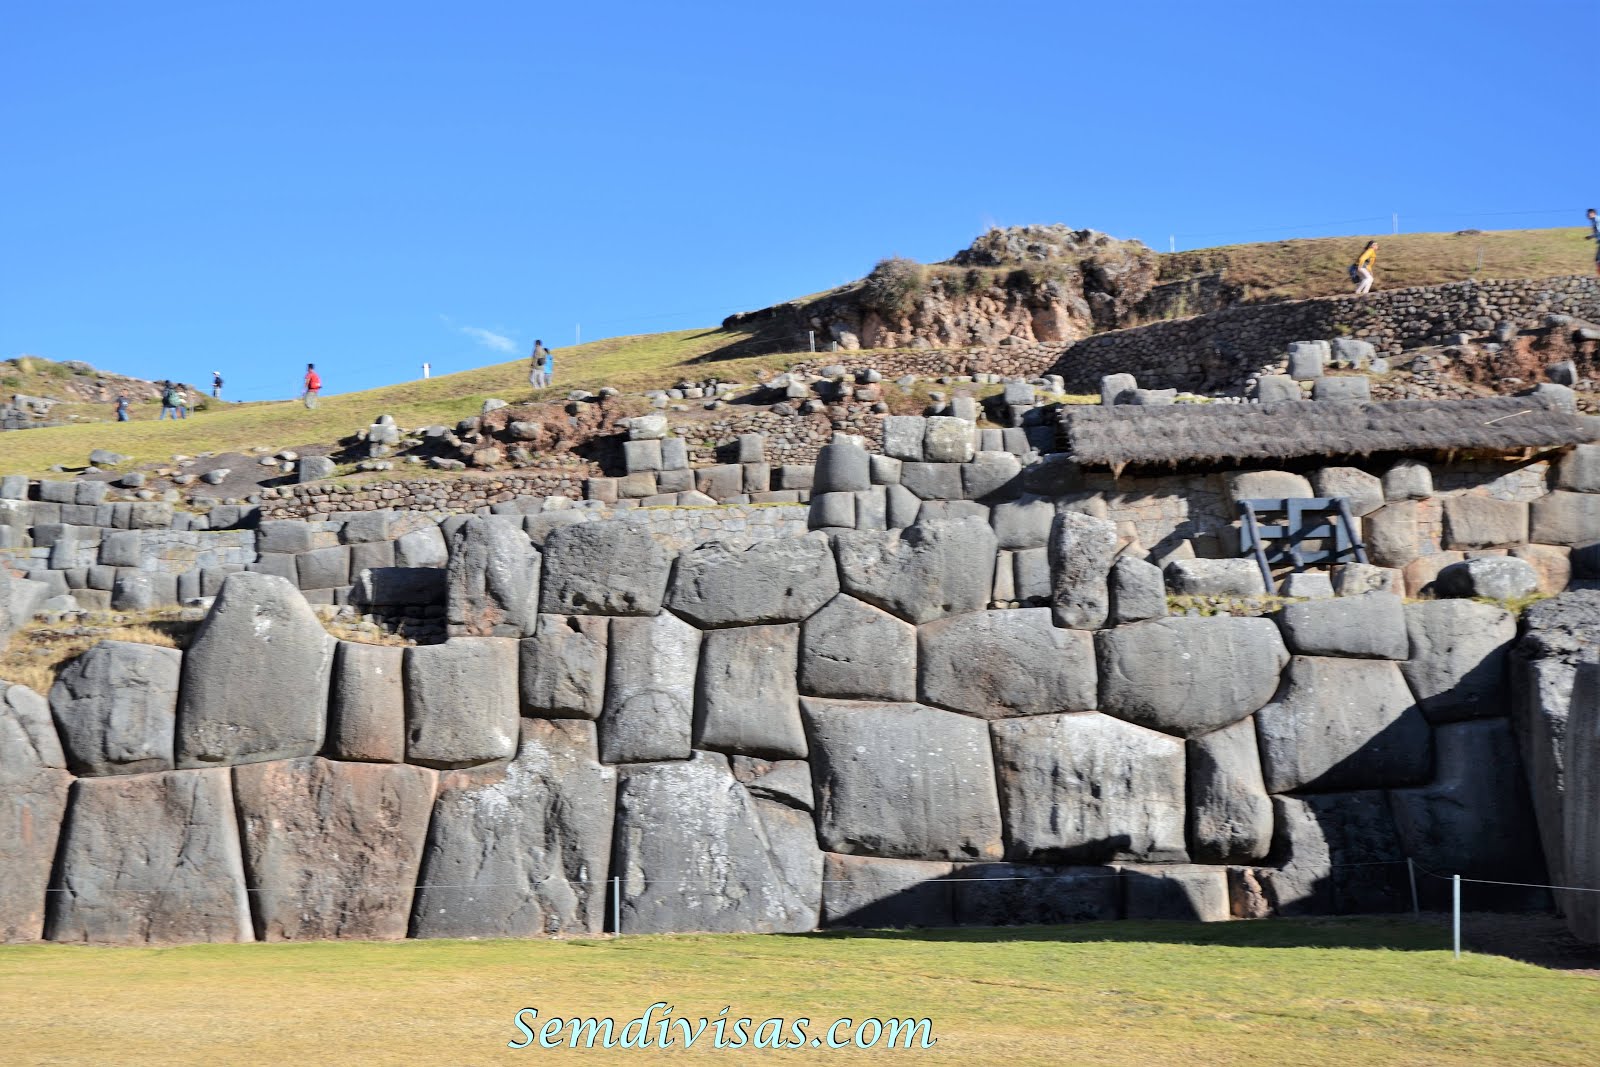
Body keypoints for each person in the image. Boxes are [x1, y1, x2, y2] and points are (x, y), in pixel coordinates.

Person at [1587, 208, 1599, 277]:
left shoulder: (1598, 220)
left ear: (1593, 213)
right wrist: (1590, 236)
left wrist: (1591, 236)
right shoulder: (1594, 221)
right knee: (1597, 259)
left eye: (1589, 214)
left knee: (1598, 259)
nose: (1588, 215)